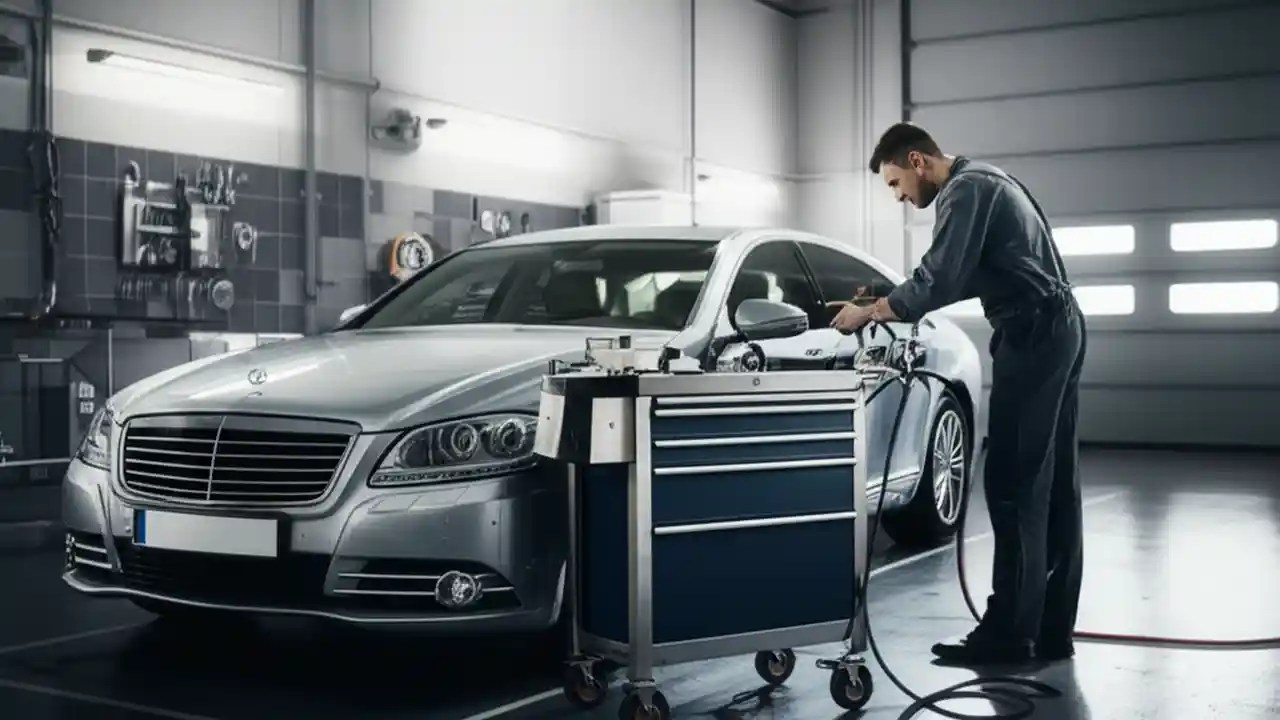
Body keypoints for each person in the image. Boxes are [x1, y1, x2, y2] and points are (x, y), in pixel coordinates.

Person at [830, 122, 1088, 666]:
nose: (899, 196)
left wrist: (871, 312)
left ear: (919, 161)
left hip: (1033, 333)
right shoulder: (989, 180)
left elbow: (942, 278)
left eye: (896, 183)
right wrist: (890, 295)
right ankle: (1049, 630)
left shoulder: (965, 191)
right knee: (1053, 485)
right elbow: (970, 272)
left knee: (1014, 483)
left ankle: (1009, 636)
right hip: (1057, 325)